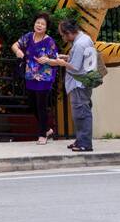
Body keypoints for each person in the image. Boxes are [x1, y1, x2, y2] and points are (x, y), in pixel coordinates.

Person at [48, 18, 97, 153]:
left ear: (69, 32)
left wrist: (60, 62)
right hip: (84, 81)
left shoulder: (80, 44)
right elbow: (82, 61)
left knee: (81, 114)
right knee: (82, 112)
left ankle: (85, 143)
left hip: (79, 83)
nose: (63, 37)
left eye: (63, 35)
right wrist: (66, 57)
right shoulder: (85, 39)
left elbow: (75, 67)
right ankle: (81, 140)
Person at [12, 11, 58, 143]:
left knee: (41, 105)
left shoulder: (49, 41)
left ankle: (42, 135)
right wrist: (18, 51)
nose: (39, 25)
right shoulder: (28, 37)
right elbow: (15, 45)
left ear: (46, 27)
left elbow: (56, 59)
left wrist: (47, 60)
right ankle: (47, 129)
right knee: (32, 105)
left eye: (42, 24)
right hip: (30, 76)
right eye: (37, 22)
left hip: (44, 77)